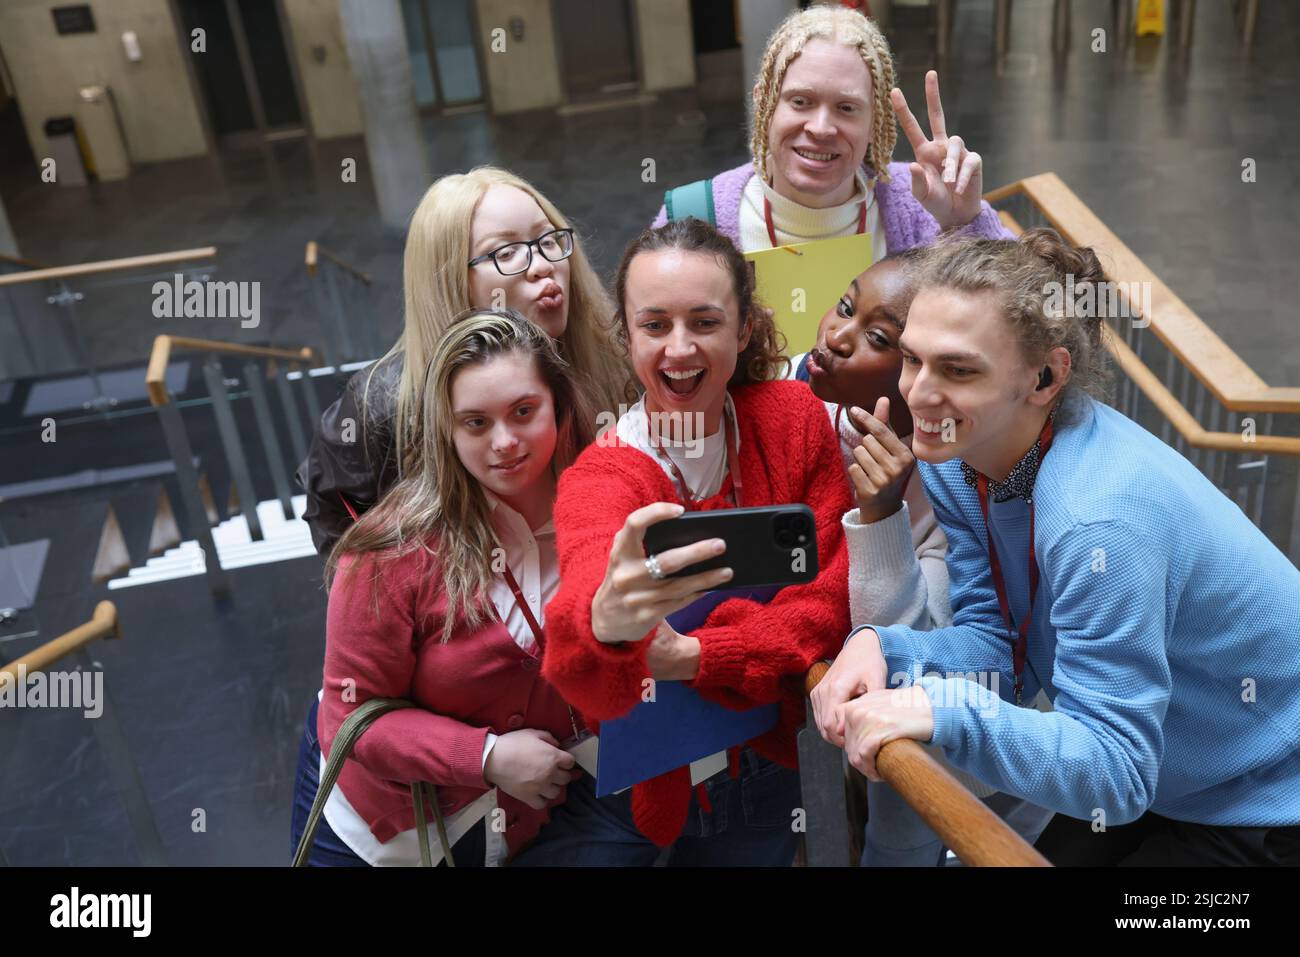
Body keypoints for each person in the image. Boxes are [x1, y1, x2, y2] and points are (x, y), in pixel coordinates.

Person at [812, 228, 1300, 866]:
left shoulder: (1099, 521)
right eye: (911, 358)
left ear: (1045, 376)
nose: (919, 394)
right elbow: (1001, 651)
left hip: (1271, 805)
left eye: (958, 369)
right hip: (1173, 778)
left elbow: (1117, 773)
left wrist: (940, 707)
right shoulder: (958, 460)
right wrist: (884, 645)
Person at [511, 219, 853, 865]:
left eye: (704, 321)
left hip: (770, 766)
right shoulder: (602, 474)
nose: (679, 348)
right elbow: (576, 634)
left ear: (744, 327)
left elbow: (831, 604)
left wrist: (698, 654)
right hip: (647, 783)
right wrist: (607, 623)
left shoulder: (794, 420)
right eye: (655, 324)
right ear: (626, 335)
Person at [288, 311, 594, 866]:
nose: (504, 442)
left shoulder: (602, 510)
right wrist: (486, 756)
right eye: (475, 423)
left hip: (525, 830)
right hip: (386, 840)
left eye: (524, 412)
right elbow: (348, 721)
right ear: (446, 431)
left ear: (559, 405)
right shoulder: (388, 549)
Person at [792, 253, 1053, 865]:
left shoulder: (963, 472)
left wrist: (881, 511)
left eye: (879, 340)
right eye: (846, 305)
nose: (835, 335)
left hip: (984, 728)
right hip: (901, 724)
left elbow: (915, 648)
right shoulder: (804, 393)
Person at [297, 167, 629, 556]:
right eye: (506, 252)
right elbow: (337, 521)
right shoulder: (384, 404)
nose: (542, 265)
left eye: (548, 239)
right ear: (452, 279)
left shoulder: (614, 357)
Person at [654, 6, 1011, 256]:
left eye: (846, 108)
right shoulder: (693, 217)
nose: (821, 128)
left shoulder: (919, 207)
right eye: (800, 101)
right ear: (764, 104)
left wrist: (964, 225)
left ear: (875, 122)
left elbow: (1026, 313)